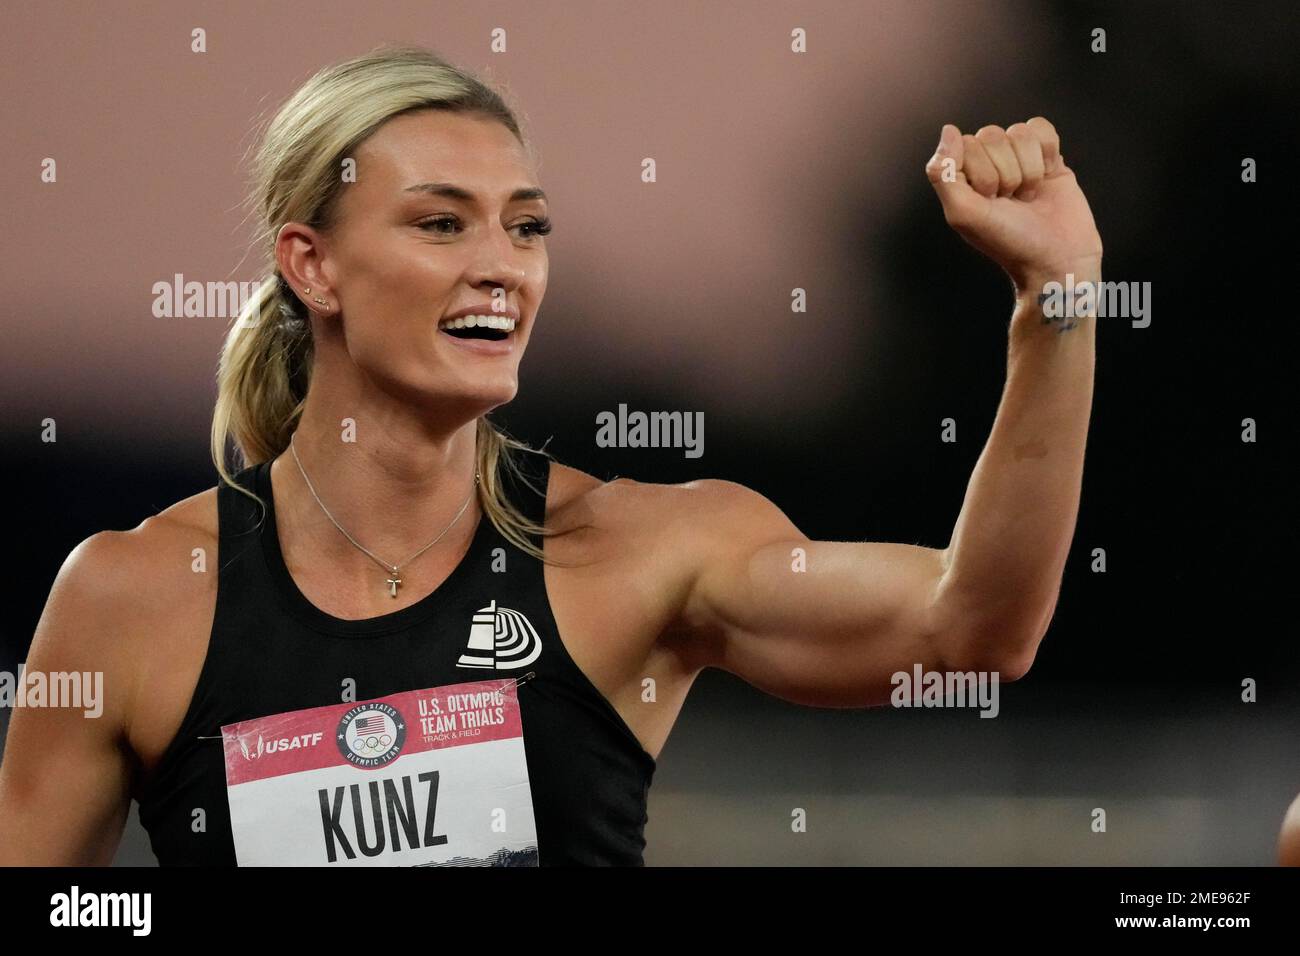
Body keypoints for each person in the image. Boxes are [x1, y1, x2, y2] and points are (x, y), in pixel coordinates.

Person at [0, 46, 1100, 866]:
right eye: (441, 224)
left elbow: (972, 629)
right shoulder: (130, 598)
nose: (502, 266)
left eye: (525, 226)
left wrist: (1057, 302)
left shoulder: (640, 552)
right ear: (312, 265)